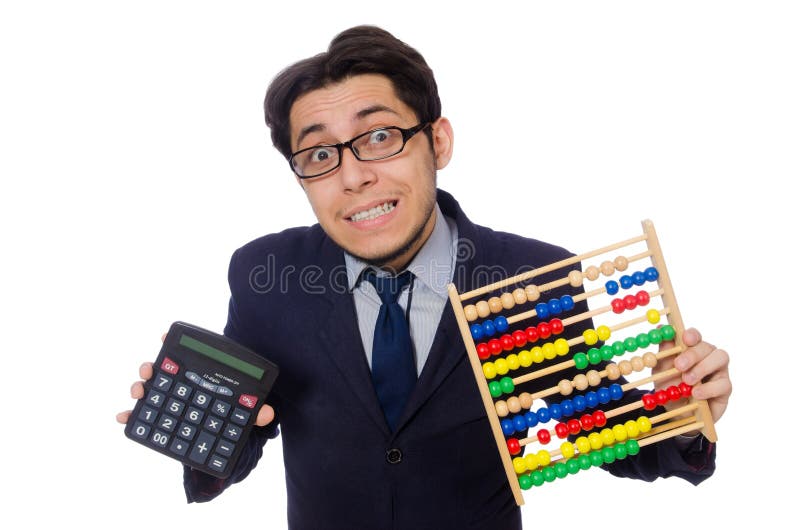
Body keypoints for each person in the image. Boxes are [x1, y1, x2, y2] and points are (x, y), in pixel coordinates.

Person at [117, 25, 732, 530]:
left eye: (380, 137)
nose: (353, 177)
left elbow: (613, 437)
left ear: (438, 142)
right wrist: (201, 433)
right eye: (320, 154)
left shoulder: (532, 278)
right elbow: (242, 434)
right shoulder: (265, 277)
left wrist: (680, 409)